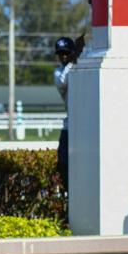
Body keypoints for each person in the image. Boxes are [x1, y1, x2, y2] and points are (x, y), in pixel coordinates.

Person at [53, 35, 82, 189]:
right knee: (63, 161)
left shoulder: (81, 67)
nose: (63, 56)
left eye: (66, 53)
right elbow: (63, 82)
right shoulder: (59, 72)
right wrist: (72, 61)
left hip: (85, 124)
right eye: (61, 54)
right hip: (69, 125)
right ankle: (69, 192)